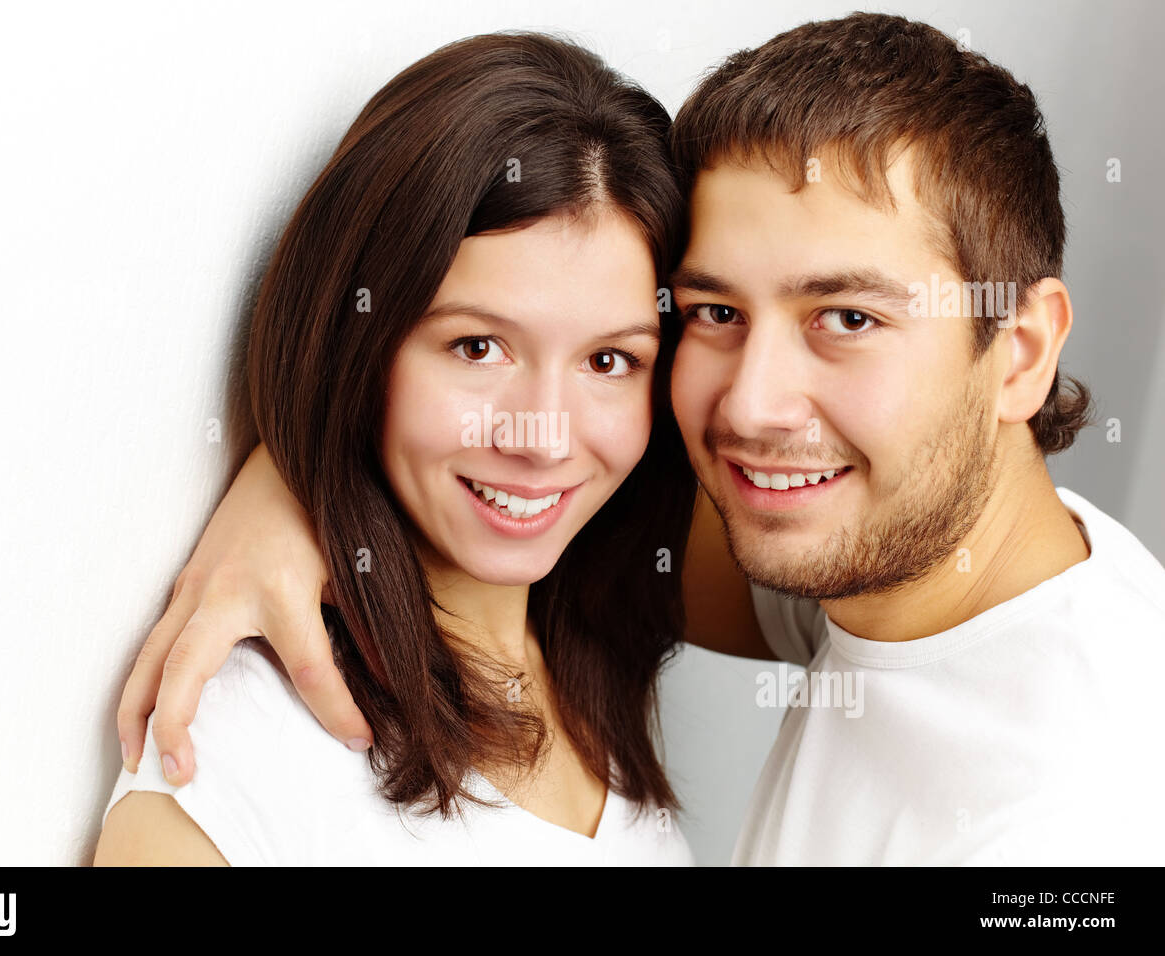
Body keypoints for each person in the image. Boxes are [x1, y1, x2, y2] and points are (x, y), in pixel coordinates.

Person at [112, 14, 1165, 865]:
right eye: (713, 312)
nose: (754, 406)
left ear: (1018, 352)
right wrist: (301, 478)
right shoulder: (893, 570)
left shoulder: (1076, 815)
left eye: (847, 318)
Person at [93, 30, 701, 865]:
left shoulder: (593, 642)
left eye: (608, 361)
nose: (544, 437)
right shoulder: (231, 757)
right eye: (477, 347)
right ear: (360, 345)